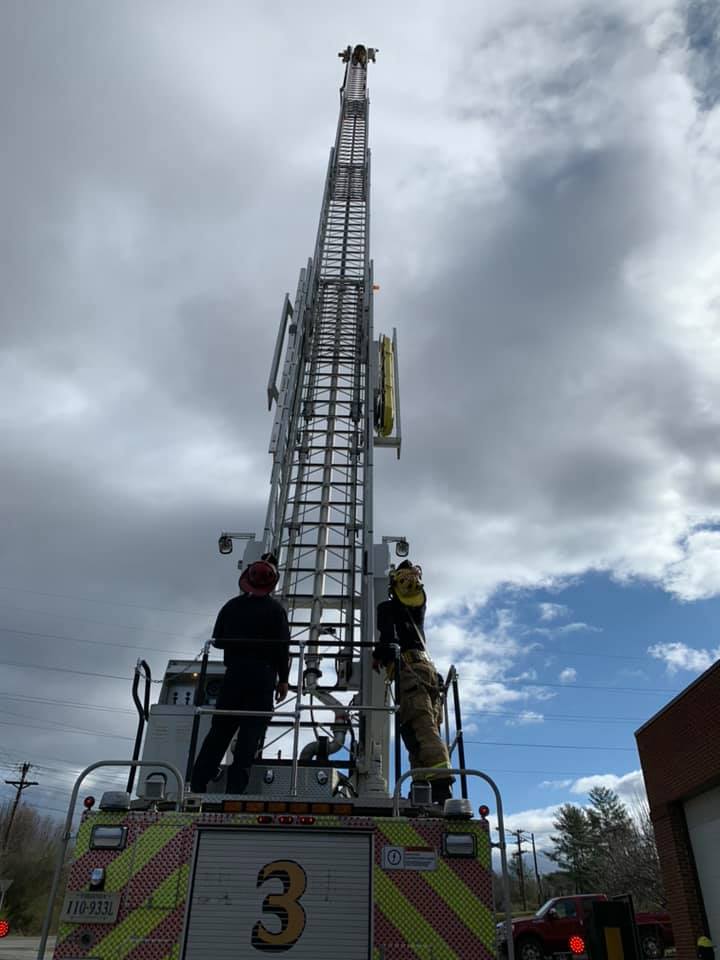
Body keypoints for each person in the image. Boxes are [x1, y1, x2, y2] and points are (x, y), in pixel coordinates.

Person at [190, 553, 290, 794]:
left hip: (234, 675)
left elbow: (218, 641)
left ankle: (197, 784)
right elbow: (282, 648)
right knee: (250, 736)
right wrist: (284, 680)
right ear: (272, 583)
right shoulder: (276, 610)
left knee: (219, 732)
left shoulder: (231, 607)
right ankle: (235, 790)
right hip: (263, 678)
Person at [373, 560, 453, 804]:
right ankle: (422, 786)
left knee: (420, 725)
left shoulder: (387, 609)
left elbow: (389, 638)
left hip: (408, 670)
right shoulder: (419, 606)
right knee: (414, 729)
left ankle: (440, 783)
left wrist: (379, 655)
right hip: (428, 671)